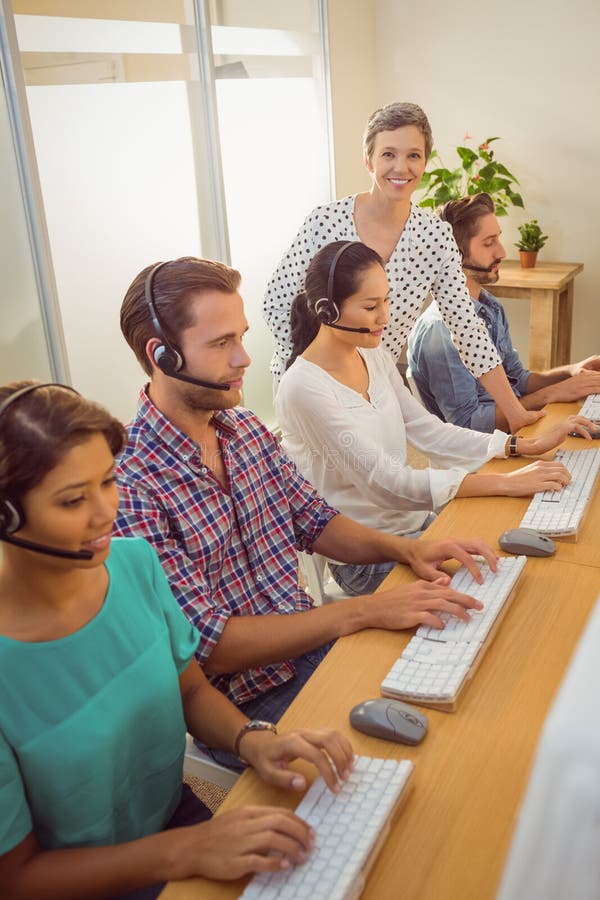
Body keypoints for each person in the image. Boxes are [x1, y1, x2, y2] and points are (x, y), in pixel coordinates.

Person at [115, 256, 498, 767]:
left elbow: (315, 521)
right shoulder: (130, 483)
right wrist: (362, 611)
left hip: (314, 644)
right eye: (222, 343)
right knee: (424, 759)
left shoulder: (244, 431)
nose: (244, 359)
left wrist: (409, 548)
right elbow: (212, 647)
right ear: (161, 355)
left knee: (462, 684)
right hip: (246, 700)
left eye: (241, 337)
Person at [0, 380, 356, 900]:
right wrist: (187, 850)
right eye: (74, 499)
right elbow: (17, 878)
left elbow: (190, 692)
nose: (105, 513)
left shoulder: (133, 563)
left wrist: (253, 739)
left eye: (108, 482)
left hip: (175, 821)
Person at [275, 241, 593, 595]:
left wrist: (518, 445)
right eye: (370, 306)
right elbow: (386, 483)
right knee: (493, 586)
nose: (385, 317)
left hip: (416, 526)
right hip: (367, 558)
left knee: (519, 561)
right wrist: (507, 482)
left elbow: (426, 429)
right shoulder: (303, 388)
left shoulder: (371, 353)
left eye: (386, 300)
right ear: (326, 310)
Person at [263, 101, 542, 434]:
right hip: (309, 384)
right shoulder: (325, 222)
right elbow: (276, 304)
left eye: (414, 155)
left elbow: (467, 328)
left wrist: (514, 412)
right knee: (317, 480)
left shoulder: (435, 236)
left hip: (373, 387)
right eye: (388, 154)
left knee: (375, 477)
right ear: (368, 160)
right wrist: (318, 372)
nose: (402, 167)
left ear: (424, 161)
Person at [408, 193, 600, 431]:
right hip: (484, 453)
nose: (501, 253)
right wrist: (552, 394)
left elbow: (517, 378)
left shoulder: (489, 307)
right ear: (454, 254)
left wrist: (569, 373)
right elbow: (467, 424)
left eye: (498, 239)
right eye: (488, 243)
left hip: (513, 432)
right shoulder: (440, 330)